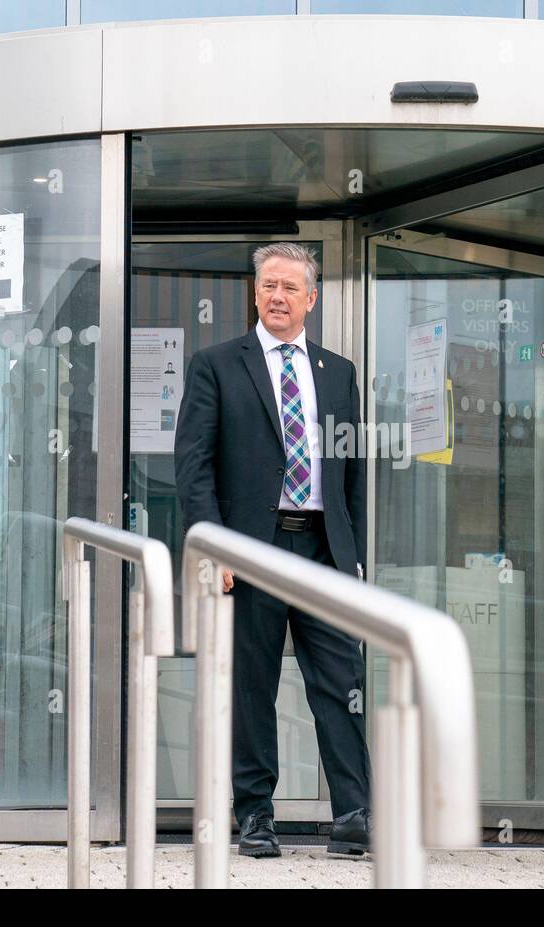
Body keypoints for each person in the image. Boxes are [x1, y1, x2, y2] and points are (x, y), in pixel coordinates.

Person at [174, 242, 372, 859]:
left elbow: (350, 470)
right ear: (255, 294)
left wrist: (354, 554)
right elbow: (194, 469)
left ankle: (355, 814)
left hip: (321, 550)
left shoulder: (337, 372)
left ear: (311, 299)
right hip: (251, 553)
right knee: (252, 688)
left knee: (340, 684)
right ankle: (255, 816)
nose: (278, 297)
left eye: (290, 287)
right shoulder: (215, 366)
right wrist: (215, 550)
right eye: (268, 287)